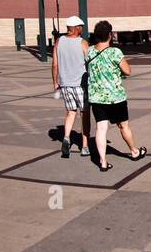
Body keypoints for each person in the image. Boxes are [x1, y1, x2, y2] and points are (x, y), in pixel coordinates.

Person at [84, 20, 145, 171]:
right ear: (109, 35)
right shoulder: (115, 52)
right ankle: (134, 151)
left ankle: (103, 162)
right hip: (116, 97)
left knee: (101, 128)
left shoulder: (90, 51)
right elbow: (127, 71)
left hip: (97, 98)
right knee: (123, 126)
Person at [51, 16, 90, 158]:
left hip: (65, 83)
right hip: (81, 84)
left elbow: (55, 64)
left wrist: (55, 82)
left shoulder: (58, 41)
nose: (82, 30)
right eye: (81, 27)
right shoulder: (82, 43)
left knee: (70, 112)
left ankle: (66, 137)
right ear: (76, 28)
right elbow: (89, 63)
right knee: (84, 114)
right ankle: (85, 146)